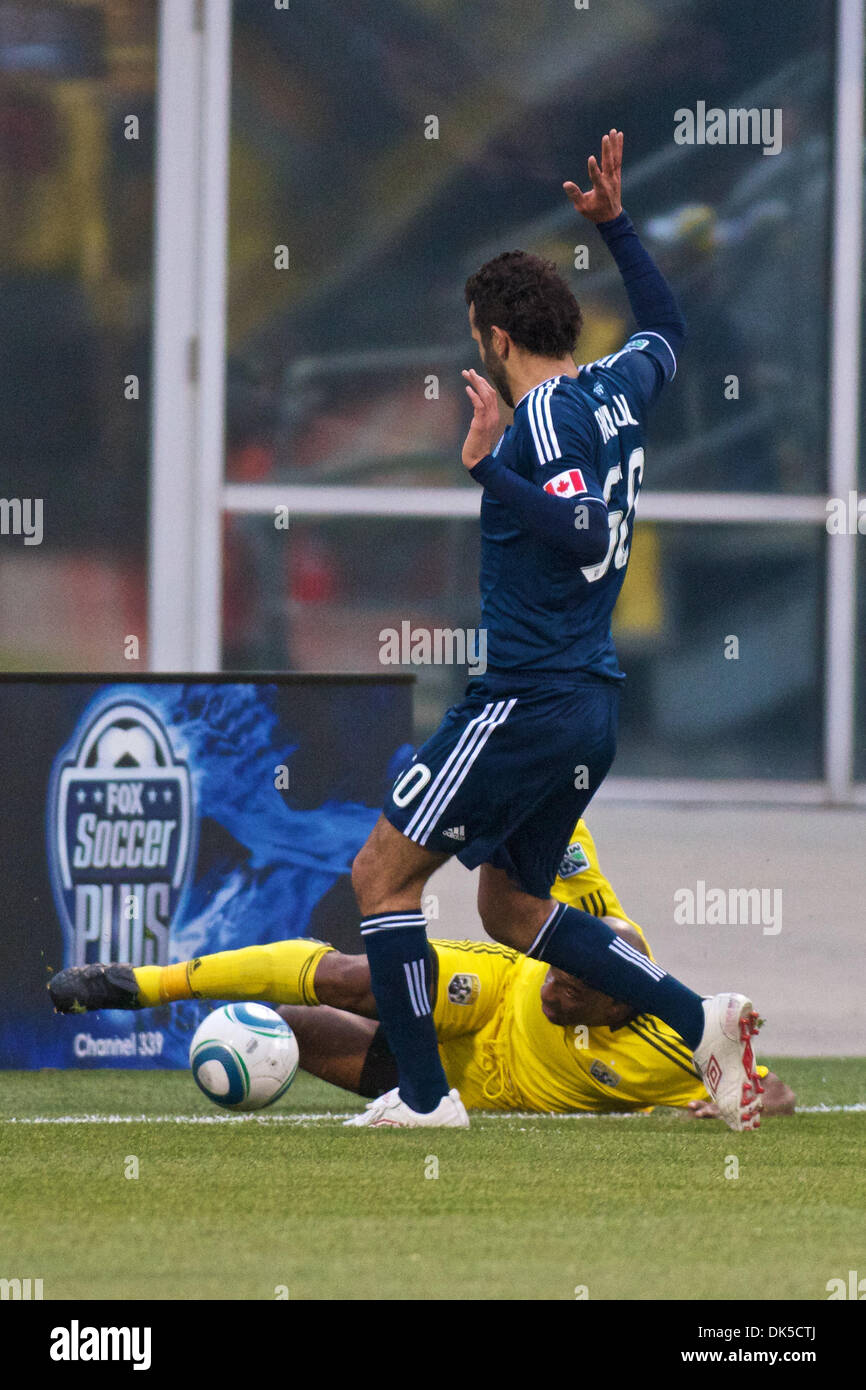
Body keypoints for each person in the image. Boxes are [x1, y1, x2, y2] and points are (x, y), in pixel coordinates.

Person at [347, 129, 761, 1128]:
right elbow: (665, 323)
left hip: (524, 698)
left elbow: (579, 531)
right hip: (586, 703)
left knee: (380, 874)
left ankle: (421, 1096)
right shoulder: (616, 387)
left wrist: (484, 466)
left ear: (492, 337)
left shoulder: (535, 424)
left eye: (473, 335)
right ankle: (694, 1017)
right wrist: (614, 225)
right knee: (508, 907)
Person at [48, 821, 776, 1122]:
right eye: (562, 968)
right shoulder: (581, 911)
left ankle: (412, 1097)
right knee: (351, 979)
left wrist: (734, 1104)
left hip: (483, 1088)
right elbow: (556, 810)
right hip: (490, 996)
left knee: (283, 1035)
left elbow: (774, 1094)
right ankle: (144, 983)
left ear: (625, 1007)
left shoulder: (675, 1045)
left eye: (575, 989)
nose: (560, 979)